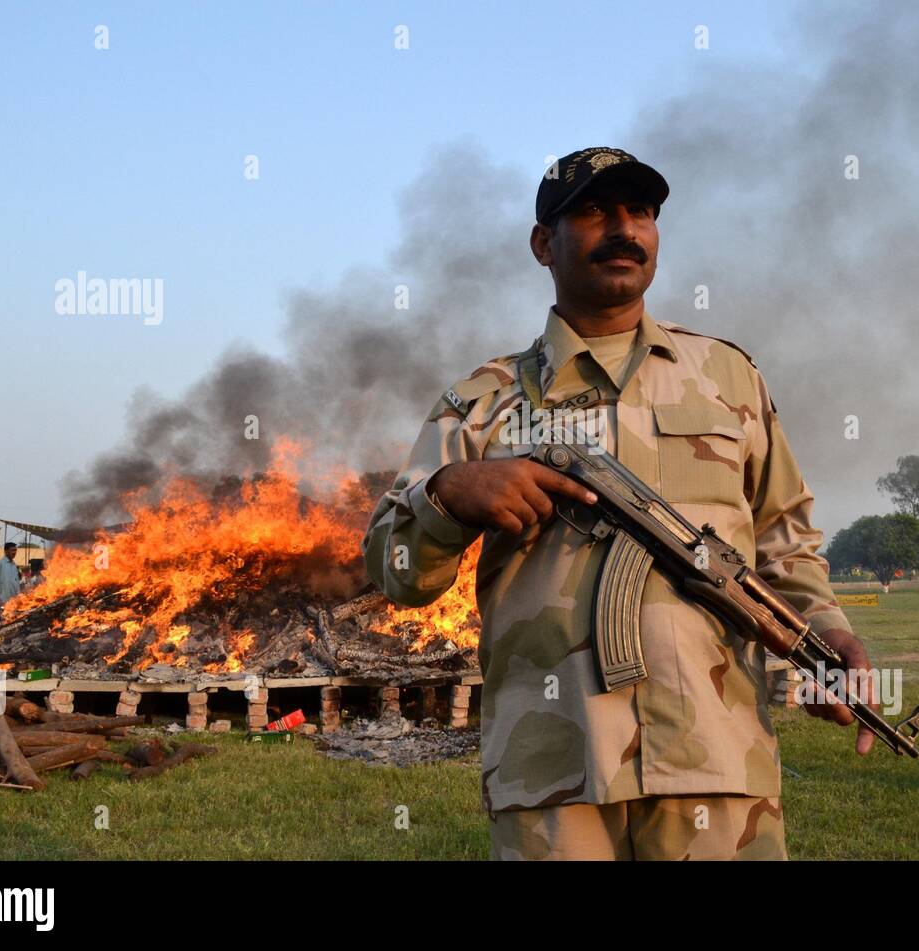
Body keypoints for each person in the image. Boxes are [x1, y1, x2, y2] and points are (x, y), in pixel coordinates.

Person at [362, 147, 870, 861]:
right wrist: (449, 493)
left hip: (716, 762)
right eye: (595, 211)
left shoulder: (728, 377)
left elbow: (783, 536)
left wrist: (826, 630)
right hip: (553, 772)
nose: (624, 229)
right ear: (544, 243)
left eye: (641, 212)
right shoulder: (483, 399)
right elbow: (395, 569)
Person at [0, 542, 22, 618]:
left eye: (15, 550)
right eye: (12, 550)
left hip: (13, 602)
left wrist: (19, 596)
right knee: (2, 623)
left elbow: (16, 583)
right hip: (2, 601)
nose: (14, 553)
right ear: (6, 551)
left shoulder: (14, 565)